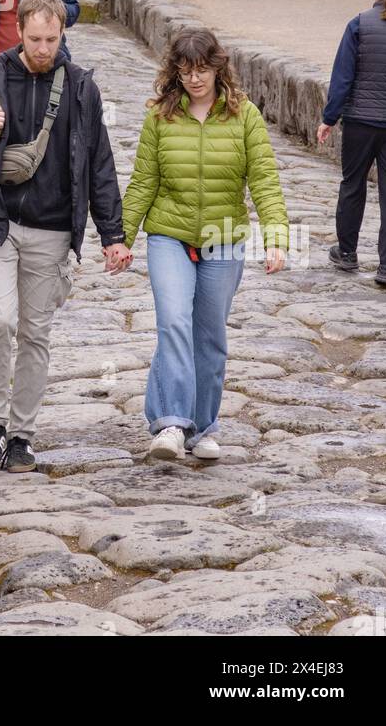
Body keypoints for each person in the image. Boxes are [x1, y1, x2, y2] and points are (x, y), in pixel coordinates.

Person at [0, 0, 130, 472]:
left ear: (62, 33)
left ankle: (22, 435)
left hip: (52, 231)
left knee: (34, 334)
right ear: (19, 31)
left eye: (52, 38)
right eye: (35, 39)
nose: (44, 47)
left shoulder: (80, 89)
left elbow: (100, 164)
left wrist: (113, 234)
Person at [121, 28, 288, 462]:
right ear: (174, 71)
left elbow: (265, 181)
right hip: (169, 234)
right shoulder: (160, 116)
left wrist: (276, 239)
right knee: (174, 320)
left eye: (203, 69)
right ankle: (171, 423)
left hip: (223, 237)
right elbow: (143, 181)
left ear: (218, 67)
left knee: (209, 337)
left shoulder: (244, 116)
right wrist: (120, 238)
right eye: (186, 69)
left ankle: (204, 426)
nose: (195, 79)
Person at [317, 0, 386, 287]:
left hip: (360, 122)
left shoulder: (359, 24)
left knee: (352, 184)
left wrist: (329, 118)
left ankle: (347, 253)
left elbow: (343, 78)